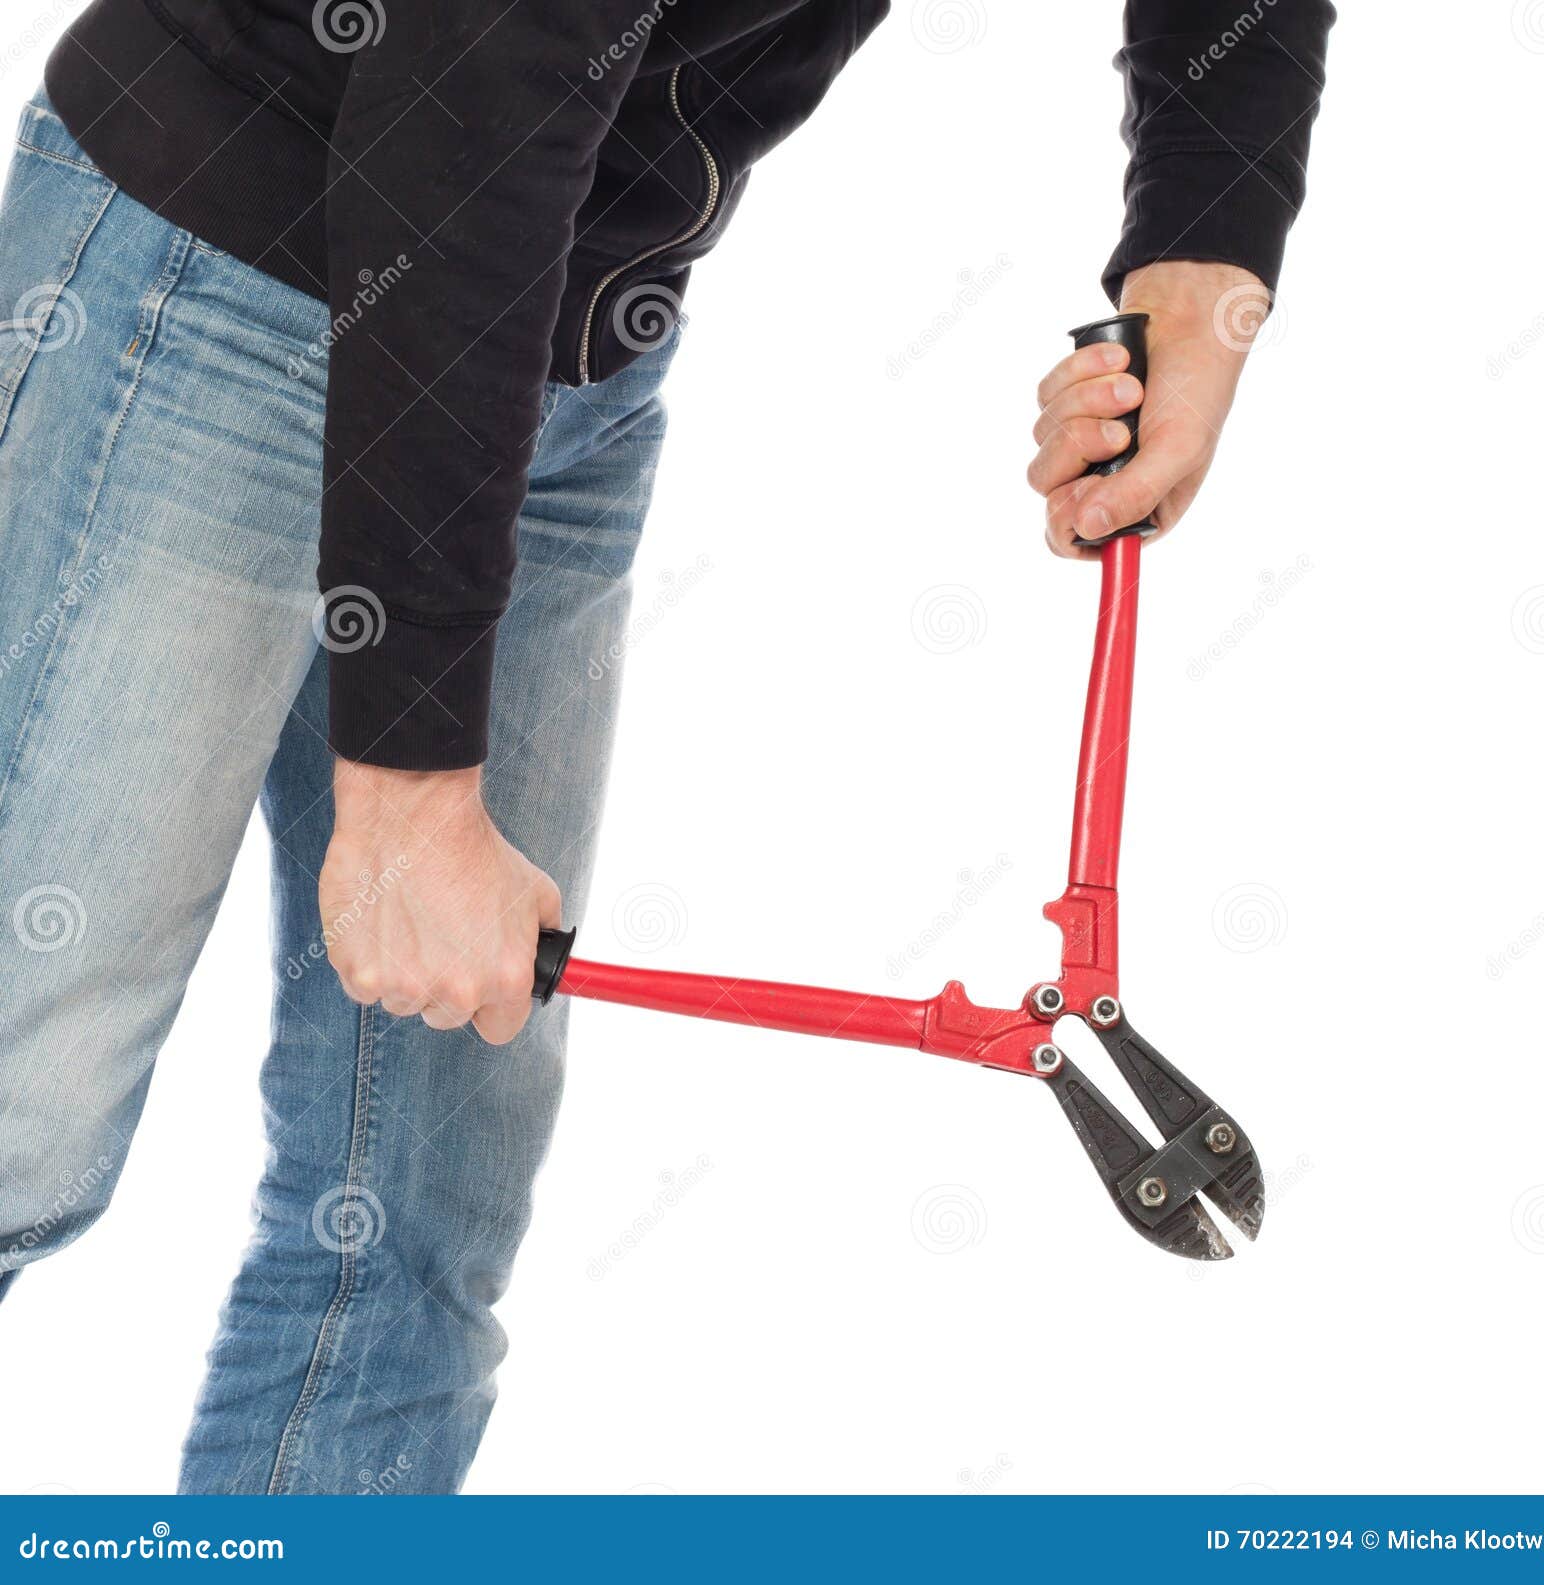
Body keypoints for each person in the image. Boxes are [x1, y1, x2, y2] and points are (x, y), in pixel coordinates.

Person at [0, 0, 1334, 1492]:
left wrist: (1205, 260)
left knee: (410, 1232)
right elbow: (473, 77)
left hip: (558, 346)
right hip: (215, 275)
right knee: (18, 1113)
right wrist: (413, 783)